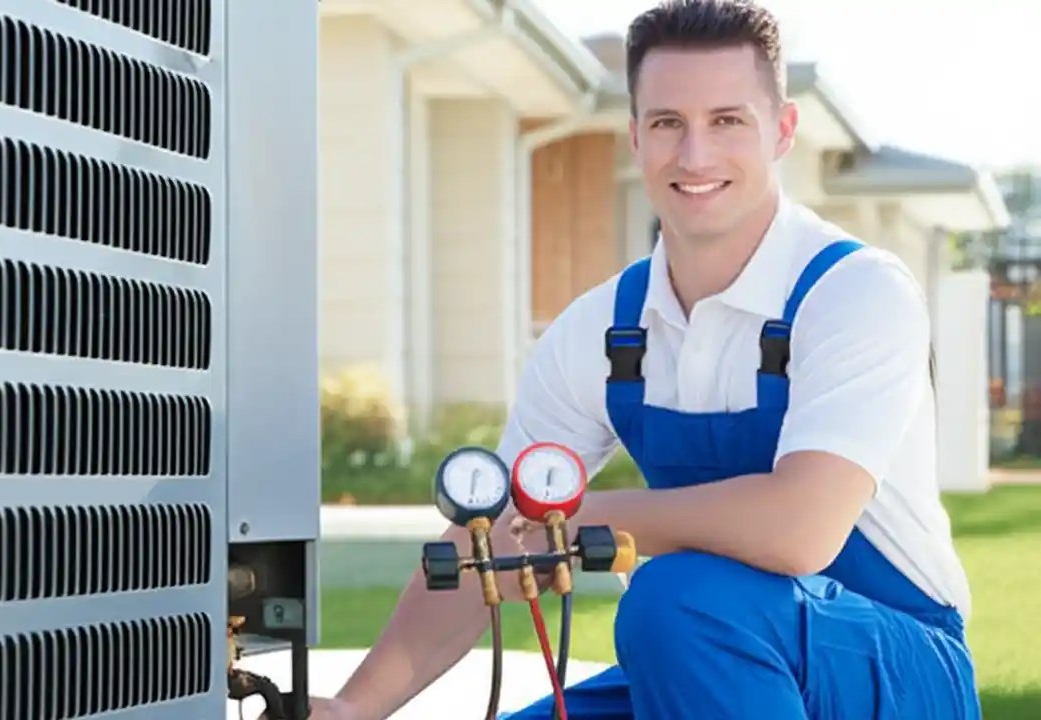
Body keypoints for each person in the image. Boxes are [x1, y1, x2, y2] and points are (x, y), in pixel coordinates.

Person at [302, 0, 978, 717]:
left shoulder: (855, 292)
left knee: (675, 597)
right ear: (634, 136)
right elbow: (494, 537)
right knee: (673, 613)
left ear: (782, 131)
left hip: (898, 668)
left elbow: (800, 529)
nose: (695, 156)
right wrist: (353, 709)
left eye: (727, 121)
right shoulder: (601, 331)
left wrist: (573, 516)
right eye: (667, 124)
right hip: (714, 656)